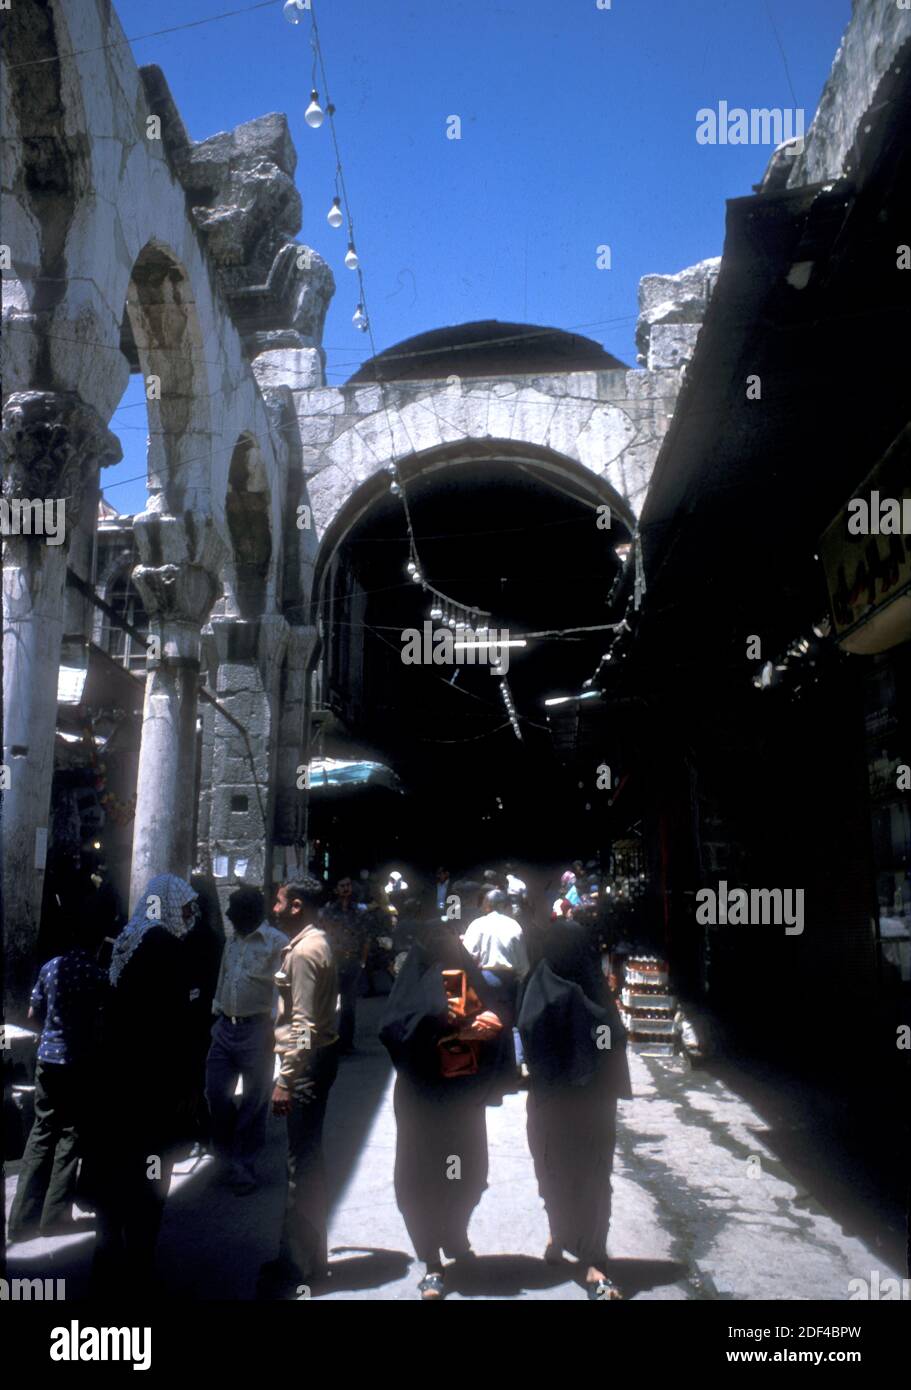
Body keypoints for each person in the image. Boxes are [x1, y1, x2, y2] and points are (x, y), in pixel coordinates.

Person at [379, 924, 510, 1299]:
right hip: (422, 1102)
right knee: (421, 1178)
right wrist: (458, 1029)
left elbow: (494, 1022)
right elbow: (396, 1034)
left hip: (460, 1103)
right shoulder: (414, 988)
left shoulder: (464, 981)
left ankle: (454, 1234)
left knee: (465, 1173)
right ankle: (431, 1261)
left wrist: (489, 1026)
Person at [92, 873, 198, 1293]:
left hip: (118, 1083)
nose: (191, 914)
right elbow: (174, 1026)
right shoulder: (165, 947)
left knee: (117, 1170)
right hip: (154, 1088)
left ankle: (108, 1256)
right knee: (152, 1175)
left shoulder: (126, 941)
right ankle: (137, 1266)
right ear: (169, 903)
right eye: (186, 906)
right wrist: (187, 1085)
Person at [518, 912, 632, 1300]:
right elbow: (609, 1043)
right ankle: (564, 1236)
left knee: (576, 1176)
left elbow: (532, 1041)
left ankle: (593, 1260)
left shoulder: (539, 985)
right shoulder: (593, 993)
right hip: (584, 1104)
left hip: (560, 1104)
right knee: (574, 1176)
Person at [260, 877, 339, 1298]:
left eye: (279, 902)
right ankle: (308, 1258)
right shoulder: (313, 944)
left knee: (301, 1168)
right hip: (316, 1063)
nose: (273, 908)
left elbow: (304, 1026)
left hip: (306, 1066)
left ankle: (299, 1265)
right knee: (306, 1163)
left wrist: (287, 1079)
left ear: (296, 906)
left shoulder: (306, 952)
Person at [8, 904, 108, 1241]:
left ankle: (20, 1219)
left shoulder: (50, 968)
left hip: (47, 1059)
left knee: (41, 1130)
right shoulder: (97, 975)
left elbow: (34, 1012)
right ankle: (54, 1215)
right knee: (70, 1133)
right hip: (78, 1061)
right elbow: (101, 1021)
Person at [204, 885, 285, 1194]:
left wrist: (278, 1034)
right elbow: (224, 977)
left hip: (258, 1030)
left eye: (236, 915)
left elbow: (283, 993)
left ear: (253, 914)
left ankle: (243, 1168)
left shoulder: (277, 944)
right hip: (225, 1028)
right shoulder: (232, 941)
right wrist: (217, 1010)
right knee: (216, 1094)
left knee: (253, 1101)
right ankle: (225, 1157)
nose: (231, 920)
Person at [461, 888, 530, 1077]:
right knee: (511, 1023)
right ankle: (515, 1065)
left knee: (484, 1020)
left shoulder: (477, 925)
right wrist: (520, 980)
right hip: (508, 981)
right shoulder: (514, 926)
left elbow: (467, 955)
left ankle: (486, 1065)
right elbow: (523, 964)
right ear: (505, 906)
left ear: (488, 905)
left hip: (484, 979)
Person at [185, 872, 226, 1154]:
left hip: (196, 1015)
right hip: (207, 1013)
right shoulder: (212, 933)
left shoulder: (197, 934)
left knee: (195, 1075)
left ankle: (201, 1131)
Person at [318, 874, 368, 1053]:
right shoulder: (328, 912)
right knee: (329, 1003)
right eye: (342, 885)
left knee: (349, 1005)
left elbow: (365, 938)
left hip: (352, 960)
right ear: (336, 889)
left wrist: (362, 960)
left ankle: (347, 1042)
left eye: (348, 885)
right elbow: (322, 935)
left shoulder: (359, 911)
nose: (346, 888)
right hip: (333, 960)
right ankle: (328, 1040)